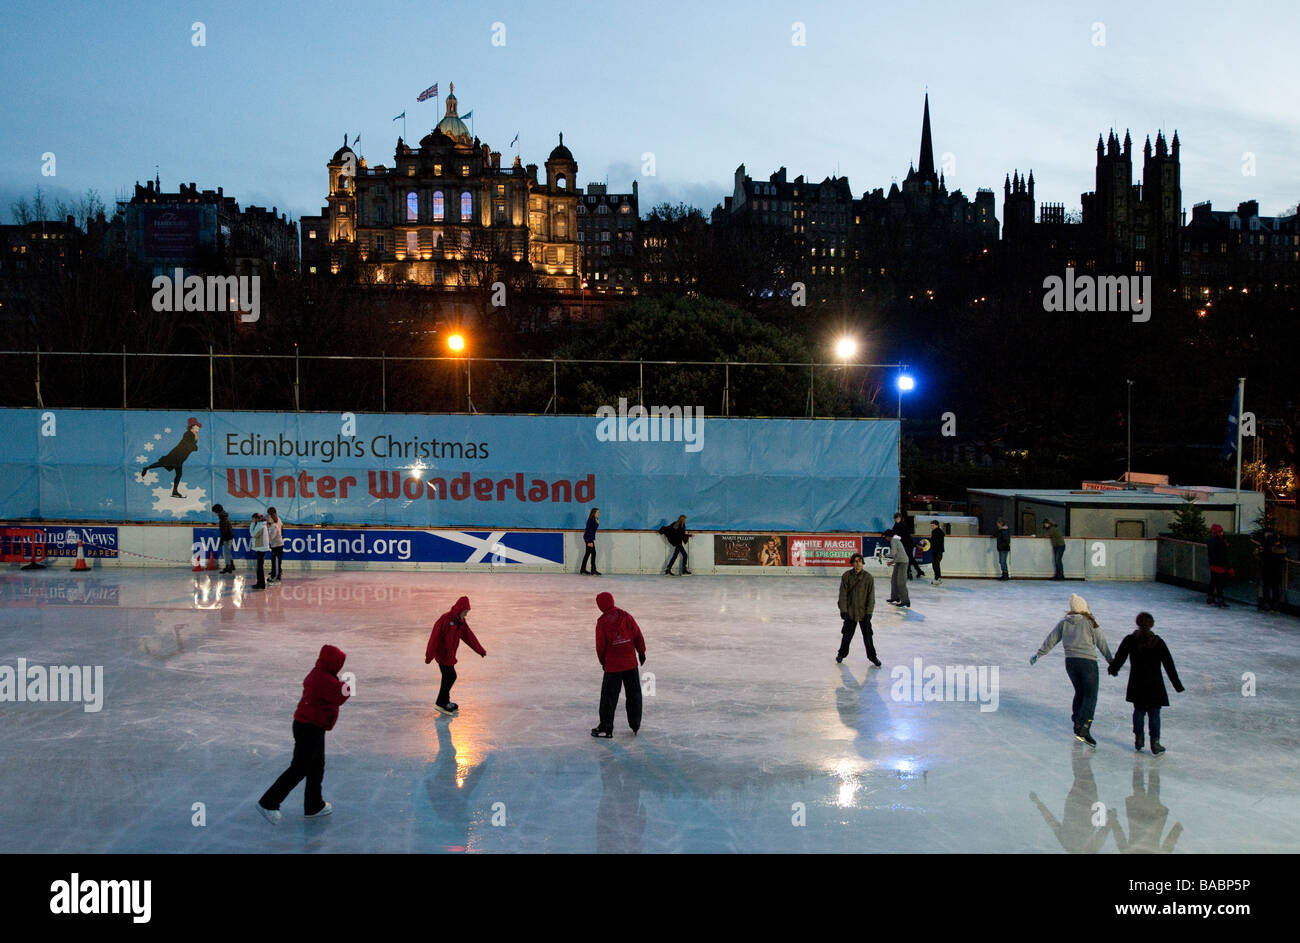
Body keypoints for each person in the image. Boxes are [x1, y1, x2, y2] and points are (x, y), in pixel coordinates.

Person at [257, 644, 349, 823]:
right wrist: (348, 685)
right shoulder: (323, 679)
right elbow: (340, 696)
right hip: (309, 728)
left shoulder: (320, 673)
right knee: (300, 768)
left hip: (311, 726)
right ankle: (268, 802)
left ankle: (314, 805)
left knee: (316, 766)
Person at [1031, 593, 1114, 746]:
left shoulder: (1064, 623)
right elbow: (1101, 643)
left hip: (1070, 663)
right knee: (1090, 696)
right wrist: (1112, 662)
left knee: (1080, 692)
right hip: (1087, 663)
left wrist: (1039, 654)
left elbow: (1052, 639)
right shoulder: (1090, 622)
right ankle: (1084, 727)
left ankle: (1077, 722)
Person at [1108, 612, 1184, 755]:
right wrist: (1177, 685)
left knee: (1139, 711)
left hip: (1137, 683)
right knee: (1154, 713)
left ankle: (1139, 738)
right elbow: (1169, 664)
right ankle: (1155, 743)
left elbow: (1120, 657)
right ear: (1151, 624)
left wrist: (1113, 669)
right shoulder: (1158, 642)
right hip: (1155, 684)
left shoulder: (1130, 640)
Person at [591, 591, 646, 738]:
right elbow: (637, 634)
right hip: (630, 663)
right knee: (634, 694)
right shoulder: (625, 615)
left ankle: (606, 727)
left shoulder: (602, 622)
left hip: (614, 666)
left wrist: (604, 662)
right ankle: (635, 725)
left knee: (609, 697)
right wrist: (641, 652)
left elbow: (600, 646)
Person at [424, 595, 486, 715]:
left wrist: (480, 650)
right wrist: (429, 656)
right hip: (442, 654)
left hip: (450, 654)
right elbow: (434, 638)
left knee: (448, 677)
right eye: (465, 612)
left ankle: (444, 701)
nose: (466, 614)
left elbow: (469, 637)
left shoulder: (461, 622)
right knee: (450, 676)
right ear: (460, 610)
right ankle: (441, 702)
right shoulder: (445, 619)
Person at [837, 552, 880, 666]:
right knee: (847, 636)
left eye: (859, 561)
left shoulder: (868, 577)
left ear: (862, 563)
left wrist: (869, 612)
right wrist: (843, 610)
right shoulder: (846, 576)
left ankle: (872, 657)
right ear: (852, 563)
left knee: (868, 638)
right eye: (855, 561)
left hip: (863, 613)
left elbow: (871, 597)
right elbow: (842, 595)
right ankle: (841, 654)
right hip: (850, 612)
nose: (858, 564)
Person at [141, 418, 201, 498]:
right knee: (163, 464)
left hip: (182, 456)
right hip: (177, 454)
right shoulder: (188, 434)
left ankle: (174, 491)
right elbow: (186, 444)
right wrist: (194, 447)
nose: (199, 427)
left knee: (178, 473)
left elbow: (191, 444)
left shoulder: (194, 434)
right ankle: (147, 468)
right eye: (197, 426)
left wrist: (193, 447)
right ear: (192, 426)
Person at [1256, 526, 1287, 612]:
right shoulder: (1273, 546)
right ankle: (1273, 604)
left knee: (1269, 586)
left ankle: (1269, 604)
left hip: (1269, 568)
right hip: (1273, 569)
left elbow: (1261, 554)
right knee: (1273, 587)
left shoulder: (1266, 545)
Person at [1206, 523, 1231, 608]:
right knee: (1220, 583)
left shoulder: (1210, 540)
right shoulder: (1220, 542)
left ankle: (1210, 597)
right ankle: (1220, 599)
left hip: (1213, 565)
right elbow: (1224, 555)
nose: (1222, 533)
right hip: (1220, 566)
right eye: (1221, 531)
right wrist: (1228, 566)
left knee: (1213, 581)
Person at [894, 512, 924, 579]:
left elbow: (903, 535)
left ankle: (909, 572)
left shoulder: (903, 525)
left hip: (908, 544)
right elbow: (895, 532)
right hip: (904, 544)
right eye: (896, 519)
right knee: (910, 558)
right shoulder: (896, 525)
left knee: (908, 558)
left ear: (900, 518)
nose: (896, 520)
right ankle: (918, 571)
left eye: (898, 518)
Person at [887, 529, 910, 608]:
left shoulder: (893, 541)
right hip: (898, 561)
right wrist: (892, 562)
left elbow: (893, 554)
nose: (885, 538)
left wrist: (886, 555)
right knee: (894, 580)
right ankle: (895, 597)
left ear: (888, 536)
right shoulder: (895, 540)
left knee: (901, 582)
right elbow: (897, 554)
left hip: (903, 563)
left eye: (886, 537)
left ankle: (906, 601)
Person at [213, 503, 236, 574]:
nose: (214, 514)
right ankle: (231, 565)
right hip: (229, 536)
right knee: (228, 551)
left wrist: (222, 539)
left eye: (214, 512)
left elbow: (224, 530)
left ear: (217, 511)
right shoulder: (224, 516)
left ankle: (228, 566)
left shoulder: (223, 518)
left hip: (227, 537)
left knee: (225, 552)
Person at [249, 512, 269, 590]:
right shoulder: (262, 525)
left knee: (259, 567)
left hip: (261, 548)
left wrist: (252, 524)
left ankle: (261, 584)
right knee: (259, 567)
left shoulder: (260, 526)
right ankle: (260, 583)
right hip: (262, 547)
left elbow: (253, 534)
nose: (252, 520)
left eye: (253, 519)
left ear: (257, 519)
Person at [580, 508, 601, 576]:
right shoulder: (591, 520)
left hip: (589, 538)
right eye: (597, 512)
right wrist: (589, 541)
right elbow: (589, 530)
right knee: (593, 553)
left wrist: (597, 523)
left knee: (588, 554)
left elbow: (593, 529)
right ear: (594, 513)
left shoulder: (594, 520)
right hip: (588, 538)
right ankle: (593, 570)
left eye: (598, 512)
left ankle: (583, 569)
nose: (598, 514)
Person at [267, 507, 285, 583]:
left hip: (277, 544)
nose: (268, 517)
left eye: (268, 515)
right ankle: (276, 573)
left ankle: (275, 575)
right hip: (277, 544)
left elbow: (272, 537)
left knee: (276, 561)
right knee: (275, 561)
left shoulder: (275, 525)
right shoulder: (277, 521)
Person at [929, 520, 945, 585]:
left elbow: (935, 541)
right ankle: (937, 578)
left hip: (937, 551)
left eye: (932, 525)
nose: (931, 527)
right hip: (938, 551)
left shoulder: (936, 532)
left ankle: (937, 578)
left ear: (936, 525)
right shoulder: (937, 531)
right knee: (935, 565)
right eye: (931, 526)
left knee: (936, 565)